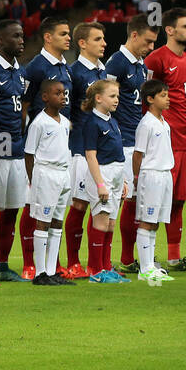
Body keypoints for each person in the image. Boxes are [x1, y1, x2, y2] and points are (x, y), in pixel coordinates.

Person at [143, 8, 186, 273]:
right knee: (155, 200)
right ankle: (146, 257)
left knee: (178, 200)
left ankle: (174, 257)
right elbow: (146, 99)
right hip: (162, 140)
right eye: (185, 26)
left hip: (183, 139)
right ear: (169, 30)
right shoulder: (155, 59)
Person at [20, 18, 74, 273]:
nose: (68, 38)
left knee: (55, 217)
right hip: (43, 156)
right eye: (63, 34)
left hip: (61, 147)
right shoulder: (36, 67)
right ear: (48, 37)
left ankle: (52, 267)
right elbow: (24, 104)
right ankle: (33, 265)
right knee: (36, 212)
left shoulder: (66, 67)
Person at [108, 14, 155, 273]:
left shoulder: (140, 64)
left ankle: (131, 258)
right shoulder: (116, 62)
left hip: (137, 140)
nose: (150, 47)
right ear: (134, 35)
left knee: (135, 200)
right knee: (125, 200)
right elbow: (107, 101)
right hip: (123, 141)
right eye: (147, 41)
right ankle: (123, 259)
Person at [0, 20, 30, 279]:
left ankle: (1, 265)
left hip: (17, 149)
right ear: (0, 39)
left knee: (13, 208)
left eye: (22, 36)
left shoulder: (20, 71)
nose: (21, 40)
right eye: (16, 36)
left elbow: (20, 107)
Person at [63, 22, 108, 279]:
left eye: (103, 39)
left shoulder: (103, 71)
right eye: (98, 39)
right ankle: (73, 262)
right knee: (79, 205)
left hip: (100, 150)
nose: (104, 43)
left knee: (100, 207)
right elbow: (68, 113)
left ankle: (96, 264)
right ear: (82, 43)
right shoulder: (74, 73)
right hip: (80, 149)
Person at [23, 79, 75, 286]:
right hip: (46, 173)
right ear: (45, 97)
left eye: (63, 93)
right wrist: (33, 180)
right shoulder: (39, 122)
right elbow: (29, 153)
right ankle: (40, 272)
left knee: (57, 222)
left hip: (63, 173)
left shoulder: (64, 121)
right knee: (43, 221)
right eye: (57, 93)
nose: (62, 96)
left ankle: (52, 270)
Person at [80, 79, 128, 282]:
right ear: (98, 98)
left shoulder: (112, 120)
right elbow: (91, 156)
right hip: (103, 174)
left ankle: (107, 267)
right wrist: (100, 184)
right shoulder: (92, 122)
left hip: (116, 175)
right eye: (112, 96)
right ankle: (96, 270)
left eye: (117, 96)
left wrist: (123, 181)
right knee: (100, 222)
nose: (116, 100)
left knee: (110, 224)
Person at [132, 80, 174, 282]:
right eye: (163, 95)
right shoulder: (146, 123)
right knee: (147, 221)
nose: (168, 99)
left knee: (156, 222)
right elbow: (138, 154)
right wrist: (137, 178)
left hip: (165, 174)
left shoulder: (164, 123)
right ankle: (145, 269)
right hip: (151, 175)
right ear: (150, 99)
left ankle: (150, 266)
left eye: (167, 95)